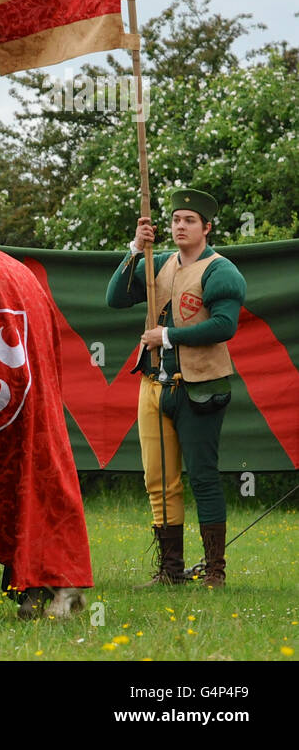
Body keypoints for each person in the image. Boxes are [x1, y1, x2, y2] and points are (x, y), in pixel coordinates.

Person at [106, 189, 246, 589]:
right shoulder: (159, 262)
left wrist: (167, 335)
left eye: (189, 220)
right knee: (158, 480)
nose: (180, 226)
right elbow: (114, 298)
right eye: (175, 220)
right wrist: (135, 247)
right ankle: (170, 570)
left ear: (207, 227)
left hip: (200, 387)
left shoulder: (221, 270)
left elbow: (224, 325)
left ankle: (215, 571)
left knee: (202, 476)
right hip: (152, 385)